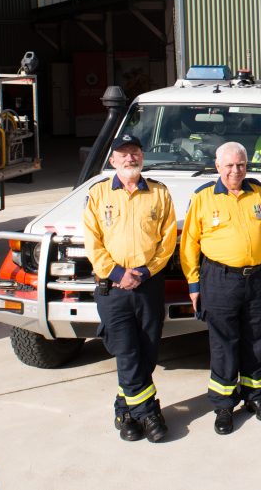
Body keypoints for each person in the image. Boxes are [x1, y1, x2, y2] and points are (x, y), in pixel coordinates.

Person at [181, 142, 261, 435]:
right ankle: (224, 406)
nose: (235, 171)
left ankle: (255, 398)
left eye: (240, 164)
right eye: (229, 165)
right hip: (220, 279)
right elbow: (189, 242)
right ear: (218, 167)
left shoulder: (259, 192)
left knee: (258, 339)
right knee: (224, 343)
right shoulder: (203, 198)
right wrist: (193, 283)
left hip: (258, 278)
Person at [82, 133, 177, 442]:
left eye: (134, 152)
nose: (129, 158)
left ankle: (124, 410)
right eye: (123, 154)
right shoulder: (97, 194)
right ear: (112, 161)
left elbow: (167, 242)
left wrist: (147, 270)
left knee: (147, 353)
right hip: (114, 288)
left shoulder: (160, 194)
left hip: (148, 285)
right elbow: (92, 243)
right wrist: (117, 272)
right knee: (127, 353)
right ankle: (149, 413)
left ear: (142, 157)